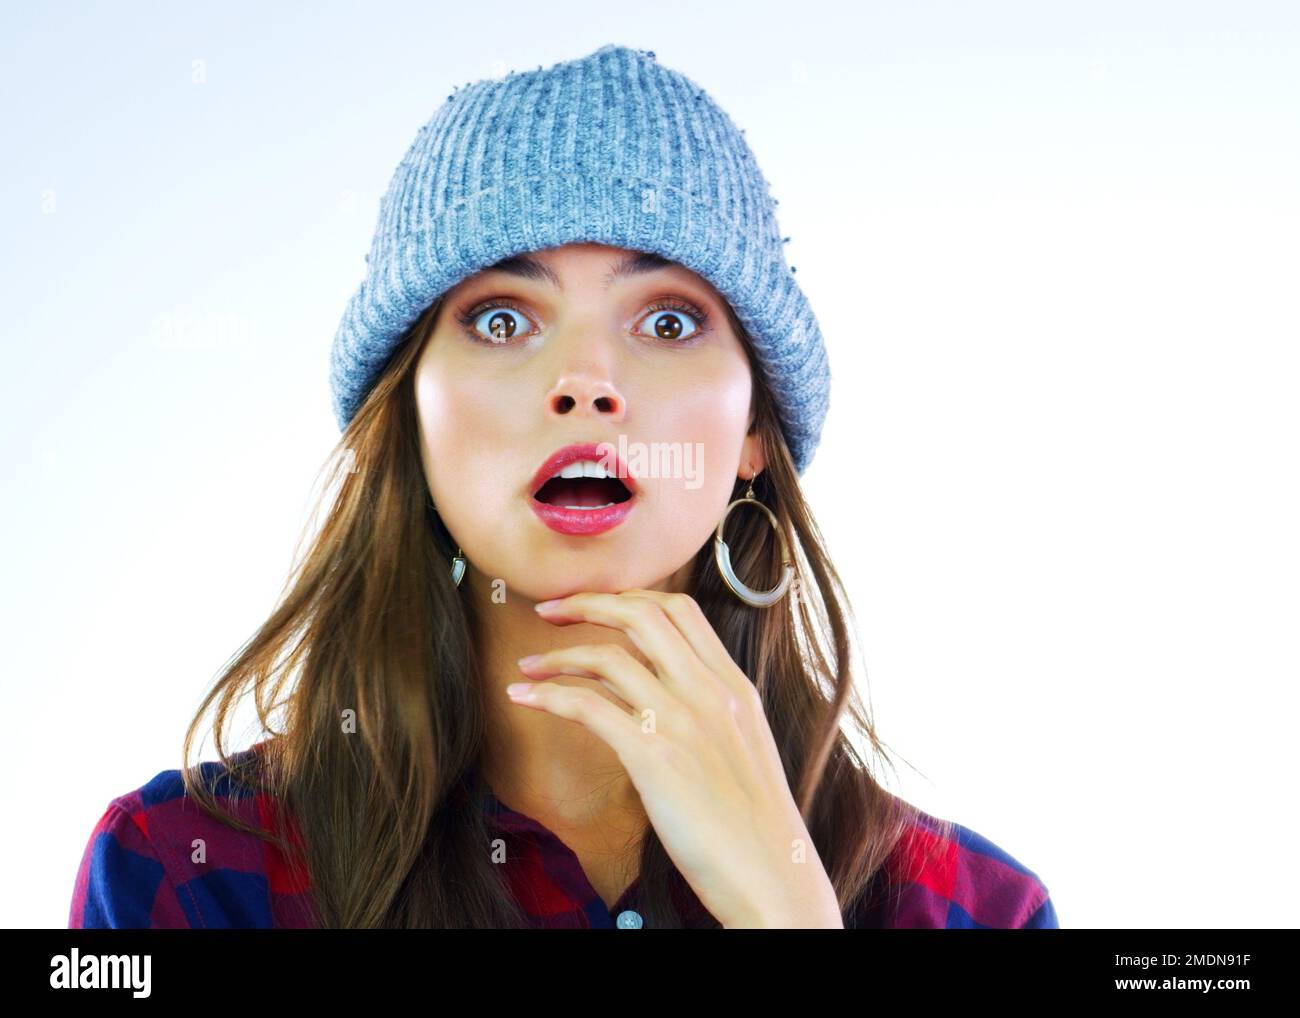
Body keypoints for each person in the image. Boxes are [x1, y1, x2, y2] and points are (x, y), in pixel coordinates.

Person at [69, 43, 1057, 930]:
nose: (587, 383)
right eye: (502, 318)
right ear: (405, 415)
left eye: (667, 322)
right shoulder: (184, 876)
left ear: (754, 428)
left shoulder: (974, 911)